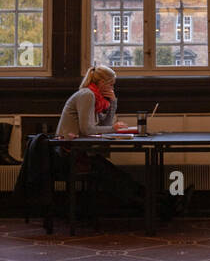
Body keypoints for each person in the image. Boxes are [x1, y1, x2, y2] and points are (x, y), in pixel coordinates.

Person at [54, 65, 146, 213]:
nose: (112, 88)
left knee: (117, 175)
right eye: (111, 84)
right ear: (102, 83)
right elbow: (88, 130)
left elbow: (106, 125)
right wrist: (114, 128)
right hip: (67, 157)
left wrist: (113, 103)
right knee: (115, 177)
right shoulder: (87, 95)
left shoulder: (96, 98)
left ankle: (157, 200)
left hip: (79, 154)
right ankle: (154, 203)